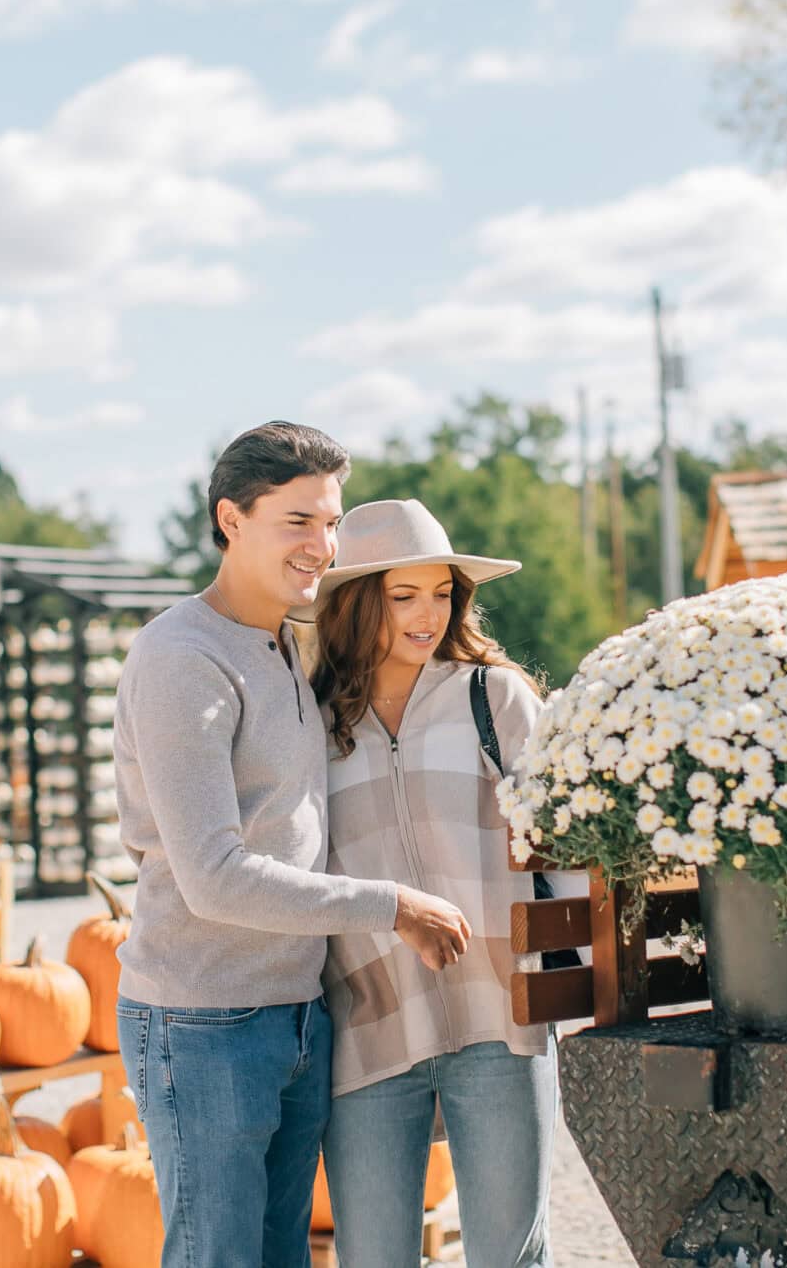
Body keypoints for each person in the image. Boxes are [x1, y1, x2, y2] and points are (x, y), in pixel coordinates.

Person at [112, 425, 474, 1268]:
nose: (323, 547)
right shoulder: (183, 658)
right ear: (231, 520)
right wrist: (392, 904)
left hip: (295, 1012)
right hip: (203, 1019)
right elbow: (213, 877)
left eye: (331, 522)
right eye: (297, 522)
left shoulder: (286, 643)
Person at [304, 498, 559, 1268]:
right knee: (374, 1257)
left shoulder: (495, 696)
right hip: (368, 1025)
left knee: (510, 1259)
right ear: (356, 604)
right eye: (403, 596)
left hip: (501, 1018)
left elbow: (570, 843)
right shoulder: (311, 719)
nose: (428, 616)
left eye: (442, 593)